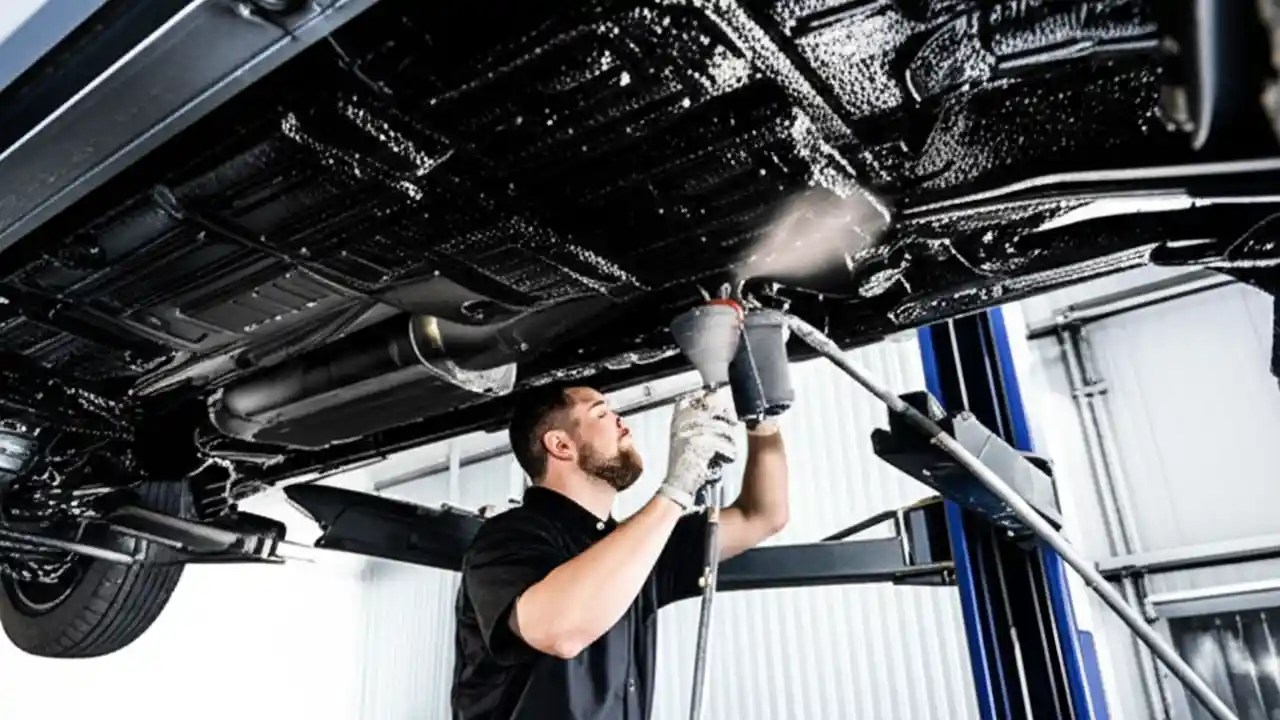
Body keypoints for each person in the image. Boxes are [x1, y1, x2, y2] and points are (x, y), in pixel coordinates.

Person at [452, 382, 789, 720]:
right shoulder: (505, 538)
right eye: (601, 412)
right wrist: (678, 487)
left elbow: (761, 515)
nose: (622, 422)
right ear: (560, 445)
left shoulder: (637, 547)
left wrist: (762, 418)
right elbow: (561, 631)